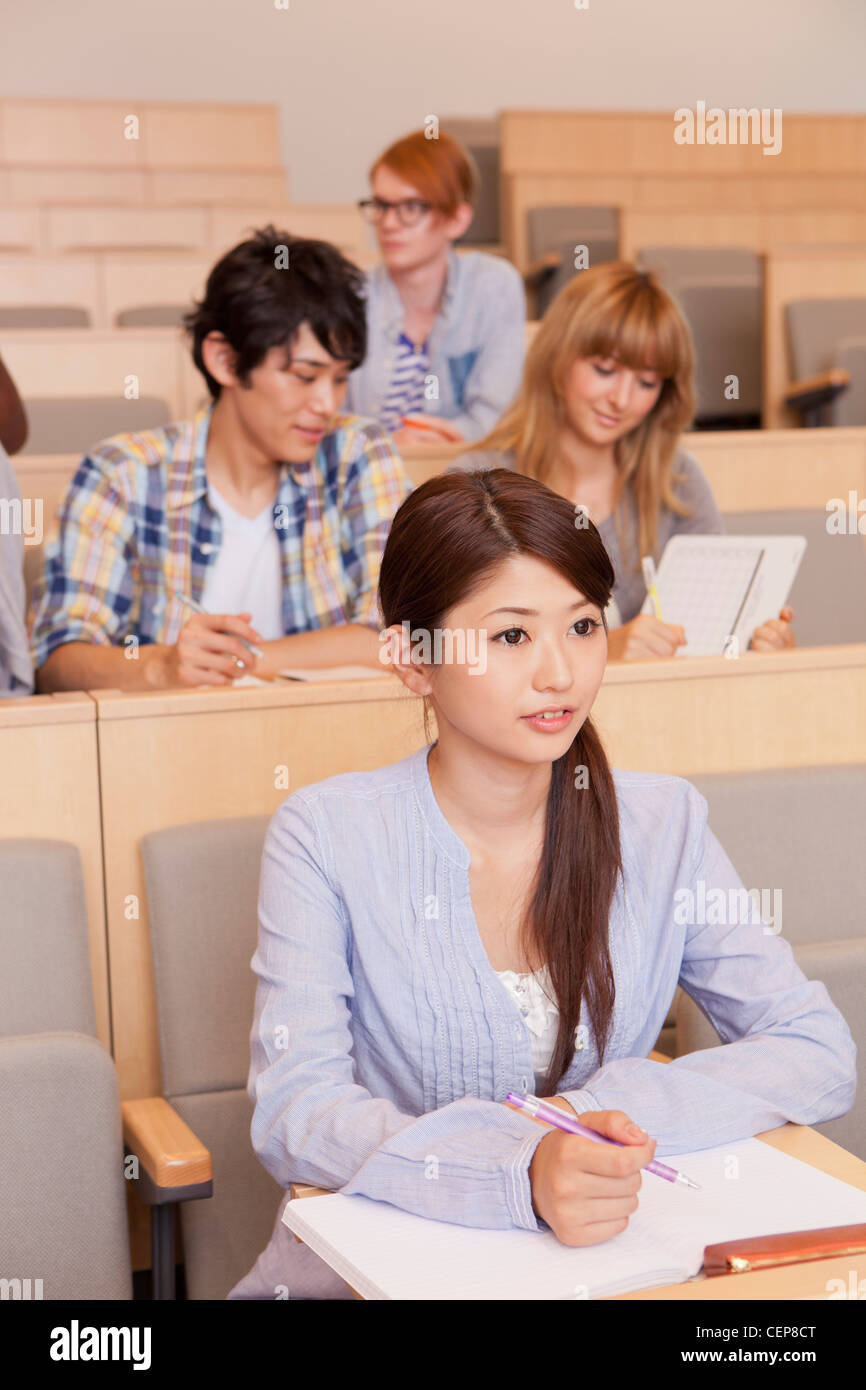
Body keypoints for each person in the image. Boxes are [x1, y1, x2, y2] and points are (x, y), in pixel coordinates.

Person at [229, 467, 854, 1299]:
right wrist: (518, 1166)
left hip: (612, 1271)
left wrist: (612, 1111)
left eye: (584, 626)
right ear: (415, 660)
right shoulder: (328, 834)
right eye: (512, 636)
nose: (560, 673)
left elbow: (817, 1050)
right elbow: (296, 1113)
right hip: (379, 1278)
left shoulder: (661, 823)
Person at [29, 229, 413, 692]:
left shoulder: (358, 454)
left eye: (338, 378)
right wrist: (159, 667)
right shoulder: (123, 474)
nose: (327, 403)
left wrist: (235, 662)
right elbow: (57, 661)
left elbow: (398, 639)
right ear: (225, 360)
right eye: (304, 376)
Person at [449, 262, 795, 661]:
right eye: (605, 370)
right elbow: (456, 648)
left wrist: (762, 643)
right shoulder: (475, 482)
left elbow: (715, 638)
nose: (622, 399)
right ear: (557, 359)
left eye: (646, 382)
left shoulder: (677, 479)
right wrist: (601, 652)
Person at [345, 129, 525, 451]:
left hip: (464, 484)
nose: (388, 223)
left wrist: (427, 446)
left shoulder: (493, 286)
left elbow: (495, 422)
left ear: (457, 219)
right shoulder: (352, 295)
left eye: (411, 207)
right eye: (381, 205)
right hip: (369, 482)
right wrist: (388, 446)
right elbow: (334, 425)